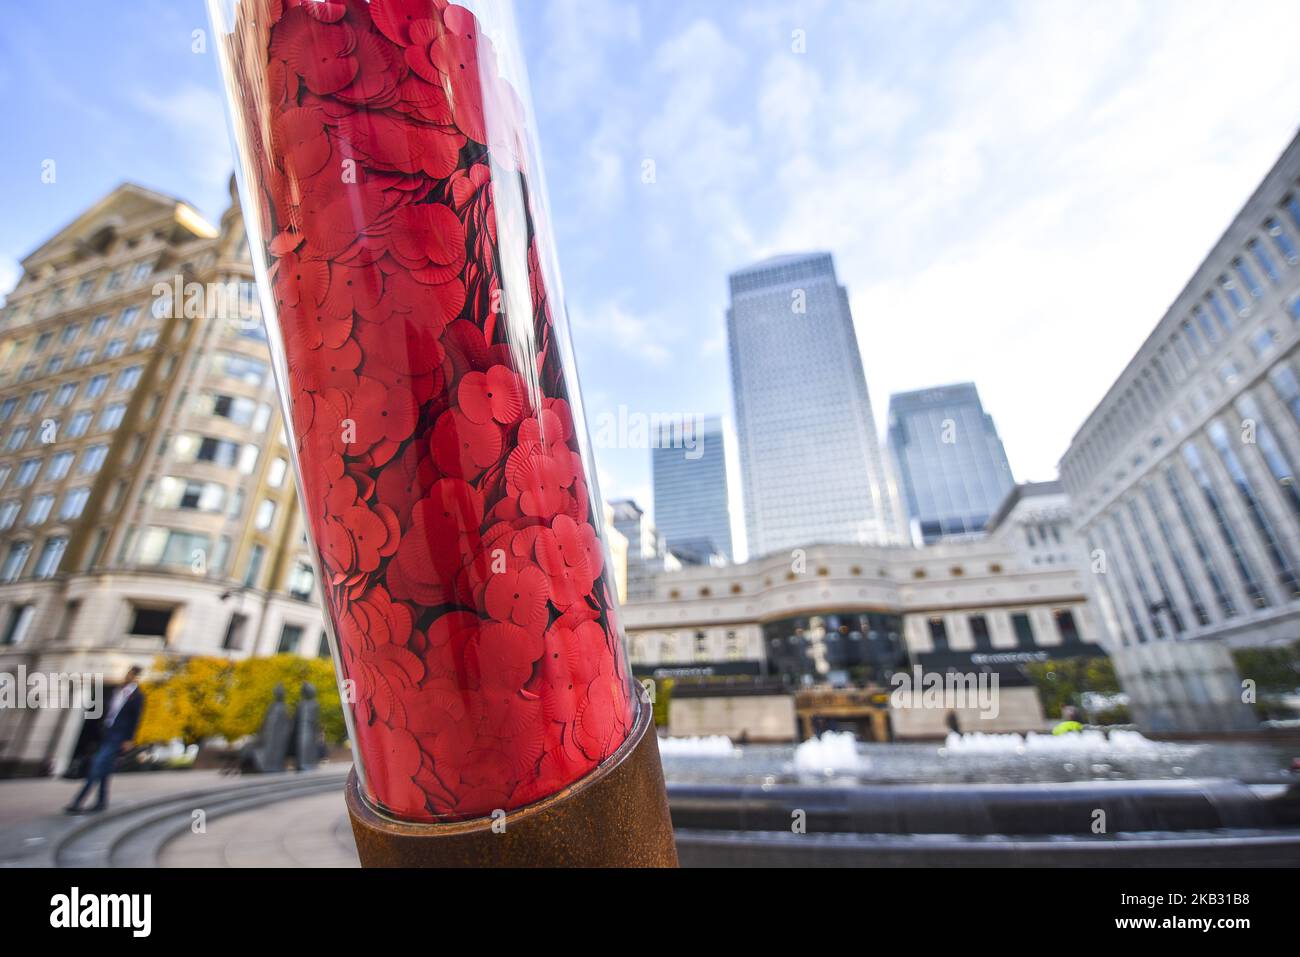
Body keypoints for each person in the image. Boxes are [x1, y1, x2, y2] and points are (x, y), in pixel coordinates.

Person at [65, 666, 146, 814]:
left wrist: (129, 739)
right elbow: (109, 711)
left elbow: (136, 719)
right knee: (104, 769)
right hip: (107, 732)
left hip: (119, 736)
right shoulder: (117, 691)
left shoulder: (137, 696)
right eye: (129, 674)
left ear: (137, 678)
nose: (129, 677)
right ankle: (101, 802)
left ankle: (77, 802)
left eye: (133, 675)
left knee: (97, 766)